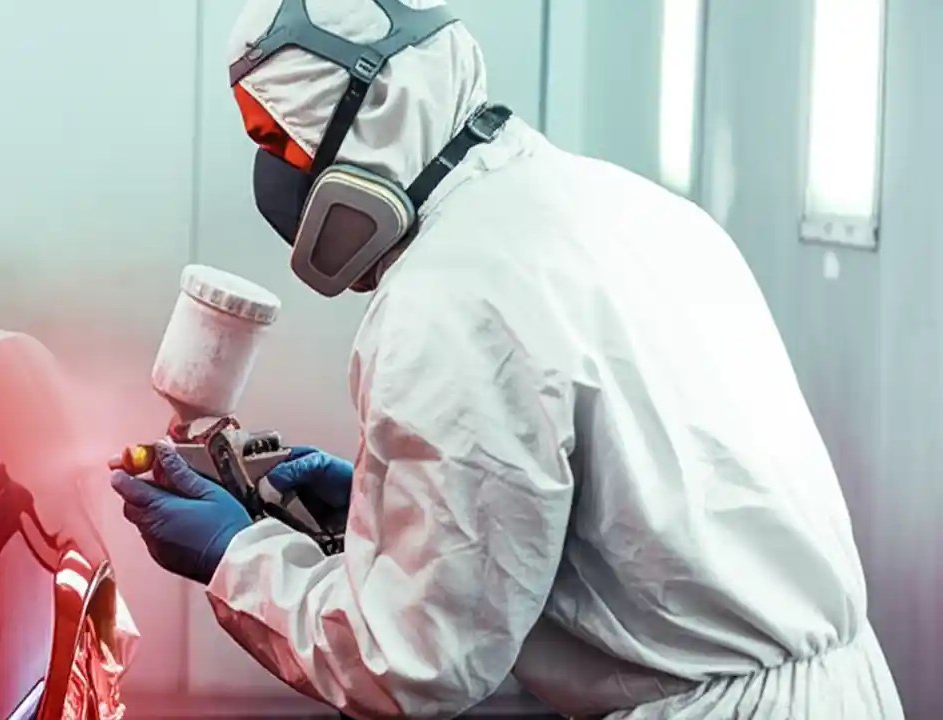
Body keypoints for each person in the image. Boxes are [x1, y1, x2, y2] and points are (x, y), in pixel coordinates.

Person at [110, 0, 905, 717]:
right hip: (849, 687)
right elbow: (631, 520)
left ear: (375, 113)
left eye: (276, 138)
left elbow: (411, 663)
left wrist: (234, 556)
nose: (270, 175)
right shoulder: (630, 206)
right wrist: (390, 519)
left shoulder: (450, 297)